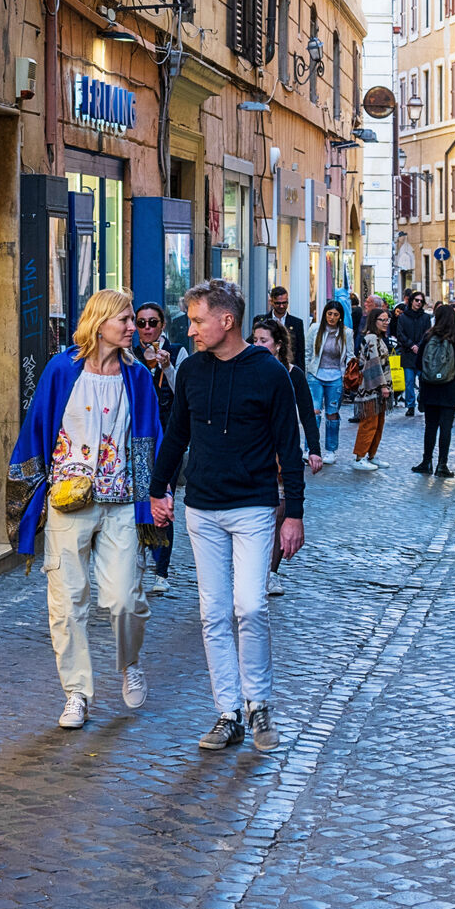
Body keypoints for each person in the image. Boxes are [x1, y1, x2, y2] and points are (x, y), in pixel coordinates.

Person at [151, 279, 305, 754]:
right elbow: (175, 435)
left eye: (197, 321)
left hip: (254, 507)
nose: (191, 331)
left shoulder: (269, 373)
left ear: (226, 320)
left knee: (251, 606)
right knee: (213, 612)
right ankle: (228, 713)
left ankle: (260, 703)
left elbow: (289, 447)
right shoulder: (192, 372)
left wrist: (293, 514)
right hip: (201, 506)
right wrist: (158, 491)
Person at [8, 289, 162, 728]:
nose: (134, 327)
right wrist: (27, 494)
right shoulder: (62, 370)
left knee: (123, 599)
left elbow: (152, 438)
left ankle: (128, 662)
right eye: (126, 320)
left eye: (134, 320)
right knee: (67, 601)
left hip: (121, 504)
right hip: (67, 500)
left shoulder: (139, 377)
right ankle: (77, 692)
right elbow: (37, 426)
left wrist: (155, 495)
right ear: (100, 323)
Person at [249, 318, 324, 597]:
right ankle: (252, 569)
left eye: (263, 341)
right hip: (255, 449)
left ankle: (270, 572)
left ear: (278, 345)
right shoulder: (248, 370)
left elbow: (307, 413)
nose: (257, 345)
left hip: (283, 449)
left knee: (280, 512)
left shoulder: (294, 375)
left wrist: (314, 449)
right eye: (254, 340)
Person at [134, 303, 186, 596]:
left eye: (152, 322)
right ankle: (139, 560)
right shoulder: (129, 355)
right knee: (139, 499)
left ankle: (161, 570)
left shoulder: (178, 353)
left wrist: (167, 366)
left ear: (162, 325)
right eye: (141, 323)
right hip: (139, 438)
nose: (147, 328)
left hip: (169, 439)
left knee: (163, 498)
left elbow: (185, 393)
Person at [411, 302, 455, 478]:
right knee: (446, 428)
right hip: (450, 388)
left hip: (430, 389)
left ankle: (426, 462)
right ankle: (442, 464)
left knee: (430, 427)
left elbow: (418, 363)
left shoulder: (428, 337)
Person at [349, 304, 394, 471]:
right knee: (369, 423)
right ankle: (360, 456)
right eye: (382, 320)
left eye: (387, 319)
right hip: (370, 389)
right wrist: (383, 385)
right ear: (373, 321)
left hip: (379, 390)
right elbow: (373, 365)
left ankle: (372, 454)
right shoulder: (371, 339)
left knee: (379, 423)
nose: (385, 322)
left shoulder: (379, 339)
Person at [309, 300, 352, 463]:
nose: (332, 318)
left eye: (335, 315)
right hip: (315, 375)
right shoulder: (315, 329)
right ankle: (310, 448)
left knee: (332, 414)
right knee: (314, 412)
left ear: (340, 317)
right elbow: (307, 352)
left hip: (335, 376)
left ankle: (331, 450)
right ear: (325, 314)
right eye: (329, 314)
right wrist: (309, 371)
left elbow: (350, 355)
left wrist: (346, 373)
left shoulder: (346, 333)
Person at [391, 290, 430, 419]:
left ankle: (421, 400)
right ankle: (410, 406)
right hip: (408, 353)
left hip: (421, 354)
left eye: (421, 301)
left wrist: (419, 346)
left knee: (424, 381)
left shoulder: (425, 317)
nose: (419, 303)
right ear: (411, 301)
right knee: (409, 381)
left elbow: (427, 334)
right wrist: (412, 345)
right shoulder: (403, 317)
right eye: (416, 300)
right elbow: (400, 334)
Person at [253, 285, 308, 371]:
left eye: (284, 303)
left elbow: (300, 352)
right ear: (271, 302)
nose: (282, 306)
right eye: (278, 303)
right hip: (264, 366)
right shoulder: (261, 321)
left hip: (289, 368)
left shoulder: (297, 323)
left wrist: (300, 374)